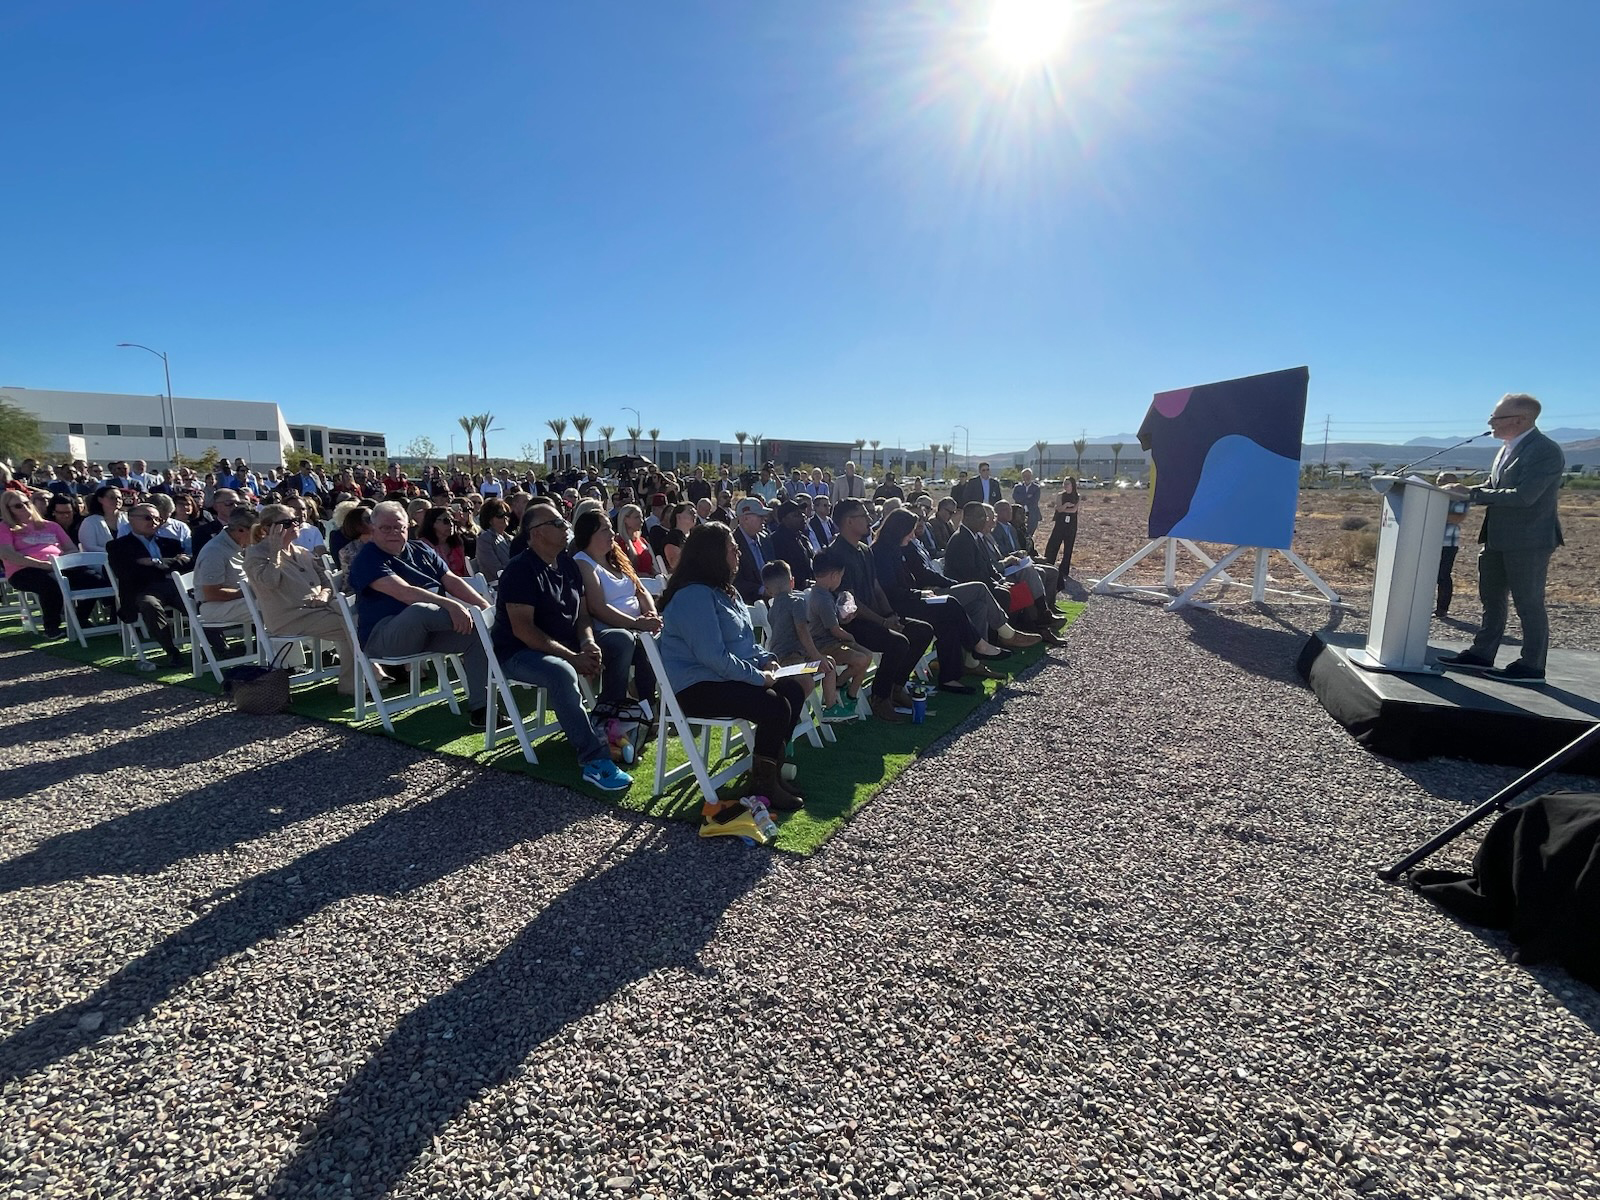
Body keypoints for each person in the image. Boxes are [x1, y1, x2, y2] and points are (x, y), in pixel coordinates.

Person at [657, 523, 806, 809]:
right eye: (731, 547)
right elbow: (713, 657)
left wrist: (766, 659)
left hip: (723, 677)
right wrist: (758, 677)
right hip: (697, 687)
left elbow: (745, 645)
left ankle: (771, 770)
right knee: (774, 705)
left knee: (793, 690)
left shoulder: (726, 592)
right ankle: (763, 786)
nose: (738, 551)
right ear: (713, 555)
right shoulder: (694, 596)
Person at [489, 501, 634, 791]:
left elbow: (581, 613)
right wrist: (573, 657)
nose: (565, 526)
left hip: (564, 643)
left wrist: (588, 643)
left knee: (620, 640)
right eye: (557, 523)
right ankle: (593, 759)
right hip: (518, 652)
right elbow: (524, 630)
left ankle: (603, 717)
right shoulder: (520, 570)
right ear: (536, 533)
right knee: (562, 672)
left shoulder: (567, 562)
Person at [1439, 393, 1565, 684]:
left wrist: (1470, 494)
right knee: (1491, 598)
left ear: (1519, 420)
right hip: (1496, 538)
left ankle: (1532, 666)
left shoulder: (1545, 450)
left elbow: (1524, 496)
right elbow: (1495, 486)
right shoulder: (1508, 447)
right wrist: (1464, 488)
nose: (1490, 422)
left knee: (1528, 602)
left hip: (1529, 540)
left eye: (1496, 418)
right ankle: (1482, 654)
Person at [348, 500, 495, 726]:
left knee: (475, 636)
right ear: (373, 529)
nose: (394, 533)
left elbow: (452, 581)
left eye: (400, 527)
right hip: (385, 637)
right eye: (386, 528)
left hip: (428, 632)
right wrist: (453, 606)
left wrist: (486, 608)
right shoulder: (367, 559)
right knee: (420, 609)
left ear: (409, 527)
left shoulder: (421, 549)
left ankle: (482, 710)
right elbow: (405, 593)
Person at [827, 498, 935, 723]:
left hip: (874, 616)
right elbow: (849, 600)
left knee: (922, 631)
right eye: (863, 516)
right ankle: (880, 697)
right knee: (898, 642)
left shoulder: (864, 549)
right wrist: (883, 622)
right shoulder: (836, 553)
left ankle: (896, 686)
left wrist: (889, 615)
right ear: (848, 521)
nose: (869, 520)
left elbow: (875, 586)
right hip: (851, 622)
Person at [244, 503, 360, 695]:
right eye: (287, 523)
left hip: (317, 609)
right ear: (267, 529)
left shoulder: (300, 551)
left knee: (353, 621)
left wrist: (323, 594)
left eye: (296, 521)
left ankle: (355, 681)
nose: (295, 525)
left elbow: (325, 579)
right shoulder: (255, 554)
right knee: (349, 626)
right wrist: (275, 552)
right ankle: (354, 683)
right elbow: (269, 583)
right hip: (288, 617)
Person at [870, 509, 979, 695]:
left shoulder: (897, 549)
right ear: (899, 530)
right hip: (896, 606)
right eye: (910, 531)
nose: (913, 535)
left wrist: (919, 593)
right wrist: (919, 594)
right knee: (949, 605)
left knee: (947, 619)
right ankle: (976, 645)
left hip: (908, 600)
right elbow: (891, 591)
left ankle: (950, 677)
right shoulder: (881, 552)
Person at [571, 508, 660, 721]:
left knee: (671, 636)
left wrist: (651, 615)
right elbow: (597, 607)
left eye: (611, 528)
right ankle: (645, 709)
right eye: (605, 530)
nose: (612, 534)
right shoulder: (583, 562)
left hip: (638, 625)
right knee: (639, 646)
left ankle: (653, 704)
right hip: (611, 630)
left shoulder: (616, 556)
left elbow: (640, 590)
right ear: (590, 535)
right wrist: (637, 624)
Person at [761, 559, 864, 722]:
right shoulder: (797, 602)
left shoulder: (772, 609)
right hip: (792, 658)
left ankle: (830, 708)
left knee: (829, 663)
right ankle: (797, 714)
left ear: (767, 589)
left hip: (780, 656)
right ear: (792, 581)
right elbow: (803, 632)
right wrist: (817, 656)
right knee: (820, 667)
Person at [105, 501, 193, 665]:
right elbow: (125, 572)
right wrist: (168, 563)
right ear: (131, 519)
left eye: (158, 519)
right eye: (147, 518)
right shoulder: (118, 546)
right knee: (150, 606)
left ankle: (220, 648)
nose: (153, 522)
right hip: (142, 590)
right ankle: (172, 652)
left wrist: (154, 562)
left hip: (173, 586)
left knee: (197, 603)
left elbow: (187, 563)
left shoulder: (170, 542)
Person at [0, 490, 77, 637]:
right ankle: (52, 627)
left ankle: (81, 618)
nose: (24, 507)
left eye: (26, 503)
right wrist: (42, 564)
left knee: (93, 579)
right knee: (51, 584)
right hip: (23, 570)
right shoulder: (5, 528)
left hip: (59, 565)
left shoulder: (51, 526)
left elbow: (72, 549)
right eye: (17, 506)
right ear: (8, 510)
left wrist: (58, 562)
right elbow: (8, 555)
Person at [193, 506, 259, 648]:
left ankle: (299, 657)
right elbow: (211, 593)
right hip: (213, 606)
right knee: (272, 605)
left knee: (279, 600)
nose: (261, 535)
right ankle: (288, 663)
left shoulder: (240, 545)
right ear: (241, 529)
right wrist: (251, 591)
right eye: (257, 531)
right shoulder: (214, 552)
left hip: (239, 601)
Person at [1434, 472, 1470, 620]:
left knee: (1443, 575)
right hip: (1431, 541)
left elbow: (1458, 518)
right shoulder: (1436, 498)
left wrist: (1435, 512)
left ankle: (1442, 609)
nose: (1439, 483)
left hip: (1448, 543)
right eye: (1438, 480)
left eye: (1443, 480)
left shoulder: (1460, 498)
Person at [730, 497, 773, 604]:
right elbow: (734, 582)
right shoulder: (731, 544)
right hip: (748, 604)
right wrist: (762, 590)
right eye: (760, 516)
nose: (764, 519)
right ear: (745, 519)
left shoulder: (766, 539)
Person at [1042, 477, 1080, 586]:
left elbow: (1074, 510)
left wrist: (1065, 509)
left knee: (1068, 547)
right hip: (1060, 523)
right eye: (1064, 483)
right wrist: (1065, 506)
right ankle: (1048, 564)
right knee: (1053, 544)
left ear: (1072, 485)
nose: (1065, 485)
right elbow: (1058, 508)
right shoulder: (1060, 495)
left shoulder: (1077, 496)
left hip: (1071, 524)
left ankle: (1064, 570)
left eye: (1067, 484)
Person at [767, 499, 815, 586]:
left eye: (802, 513)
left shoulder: (803, 539)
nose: (802, 517)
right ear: (784, 519)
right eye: (796, 515)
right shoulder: (776, 540)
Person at [473, 498, 515, 584]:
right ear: (489, 519)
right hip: (497, 585)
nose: (505, 517)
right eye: (500, 514)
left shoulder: (509, 538)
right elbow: (494, 568)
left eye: (506, 514)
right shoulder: (484, 539)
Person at [418, 506, 469, 576]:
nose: (451, 524)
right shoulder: (423, 545)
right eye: (446, 521)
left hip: (460, 582)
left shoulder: (456, 542)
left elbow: (465, 571)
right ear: (432, 523)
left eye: (453, 521)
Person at [77, 484, 126, 554]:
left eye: (119, 498)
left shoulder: (128, 518)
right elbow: (89, 546)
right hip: (99, 561)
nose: (117, 500)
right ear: (100, 499)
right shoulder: (90, 522)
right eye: (112, 497)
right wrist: (114, 553)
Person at [1012, 468, 1043, 546]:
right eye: (1025, 475)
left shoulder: (1036, 488)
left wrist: (1023, 498)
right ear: (1022, 477)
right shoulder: (1017, 487)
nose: (1027, 477)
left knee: (1030, 533)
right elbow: (1016, 497)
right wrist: (1028, 497)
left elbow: (1035, 500)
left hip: (1032, 514)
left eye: (1029, 475)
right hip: (1019, 514)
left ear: (1031, 476)